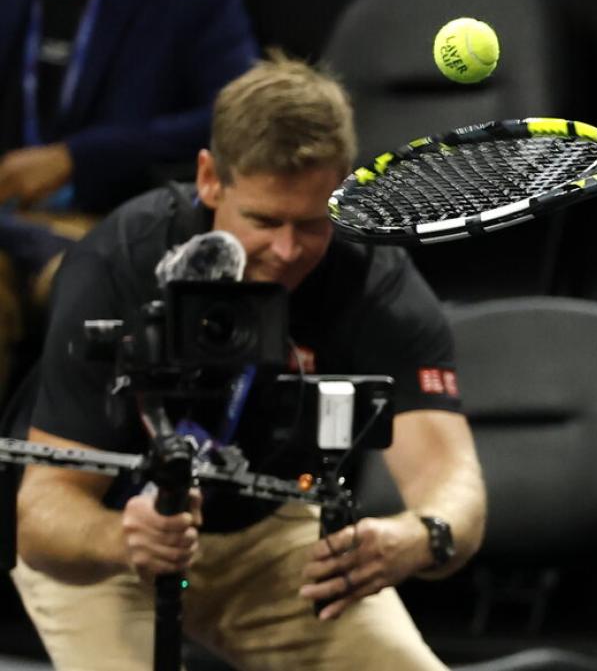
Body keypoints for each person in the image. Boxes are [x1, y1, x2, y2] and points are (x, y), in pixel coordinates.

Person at [11, 55, 485, 670]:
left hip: (270, 532)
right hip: (110, 541)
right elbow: (42, 517)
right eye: (263, 221)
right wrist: (120, 537)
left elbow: (455, 484)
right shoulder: (121, 262)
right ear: (210, 179)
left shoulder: (376, 282)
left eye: (312, 223)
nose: (287, 251)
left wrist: (418, 536)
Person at [0, 0, 259, 396]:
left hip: (121, 228)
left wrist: (78, 156)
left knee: (94, 282)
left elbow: (242, 119)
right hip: (13, 232)